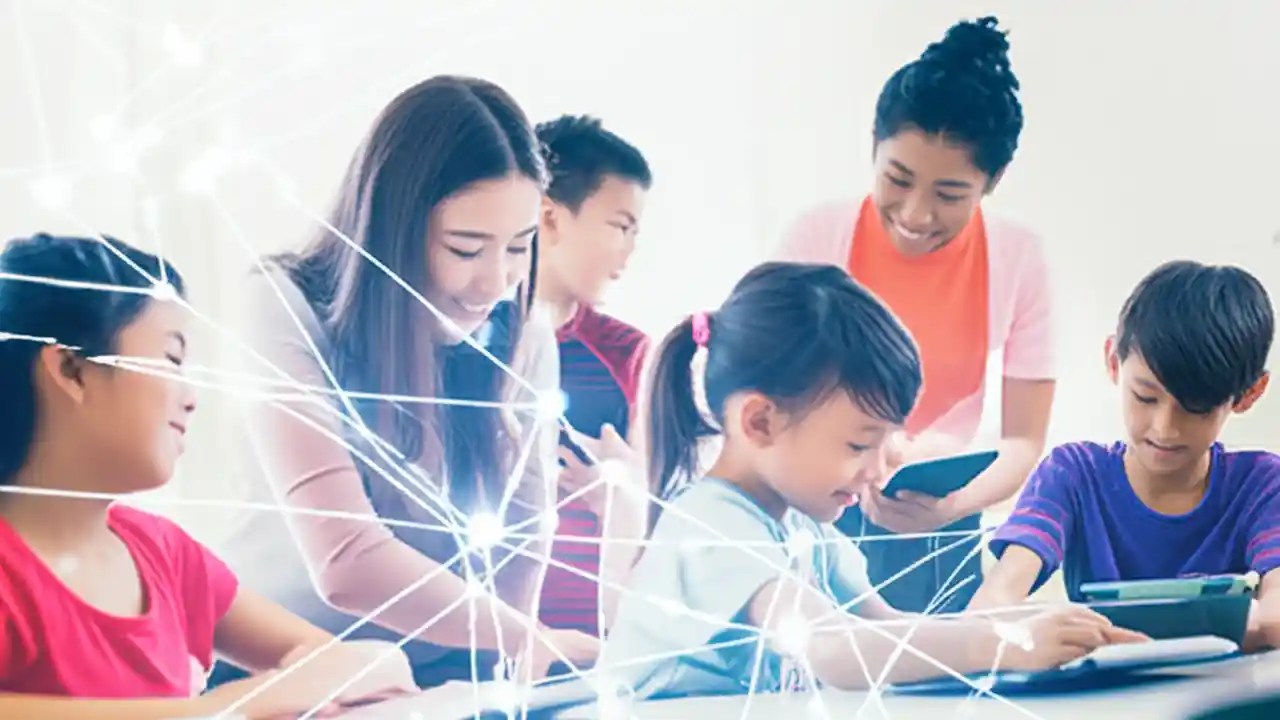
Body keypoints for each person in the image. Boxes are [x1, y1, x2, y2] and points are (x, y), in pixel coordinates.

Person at [601, 261, 1143, 698]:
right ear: (760, 422)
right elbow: (835, 645)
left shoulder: (804, 532)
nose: (880, 468)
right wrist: (1002, 640)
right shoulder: (710, 525)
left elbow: (885, 627)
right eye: (859, 444)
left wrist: (1049, 628)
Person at [219, 76, 598, 688]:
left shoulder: (522, 332)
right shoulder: (284, 304)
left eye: (519, 247)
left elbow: (524, 540)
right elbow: (345, 564)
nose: (495, 283)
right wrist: (521, 636)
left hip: (438, 675)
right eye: (466, 248)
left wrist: (513, 674)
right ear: (392, 233)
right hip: (290, 674)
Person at [0, 234, 415, 718]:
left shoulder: (163, 553)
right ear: (71, 369)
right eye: (172, 358)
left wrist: (300, 685)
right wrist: (242, 703)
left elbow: (364, 667)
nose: (192, 397)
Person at [778, 16, 1053, 613]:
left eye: (950, 194)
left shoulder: (1019, 258)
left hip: (942, 513)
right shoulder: (817, 236)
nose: (916, 214)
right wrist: (861, 457)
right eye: (897, 179)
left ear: (993, 180)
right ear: (872, 147)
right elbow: (769, 395)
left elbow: (1024, 440)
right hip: (820, 506)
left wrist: (951, 508)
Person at [972, 261, 1280, 651]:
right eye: (1145, 397)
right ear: (1113, 362)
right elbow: (991, 604)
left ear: (1249, 394)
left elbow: (1276, 621)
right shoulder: (1072, 475)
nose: (1164, 428)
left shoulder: (1263, 486)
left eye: (1197, 408)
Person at [532, 115, 653, 636]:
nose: (630, 249)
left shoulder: (629, 355)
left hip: (600, 643)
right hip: (481, 644)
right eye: (620, 226)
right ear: (551, 218)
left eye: (636, 232)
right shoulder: (459, 344)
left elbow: (666, 519)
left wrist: (619, 494)